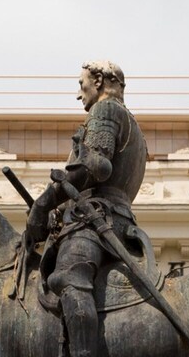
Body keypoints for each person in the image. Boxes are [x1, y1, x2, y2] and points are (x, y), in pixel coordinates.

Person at [25, 60, 148, 357]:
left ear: (99, 82)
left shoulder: (105, 111)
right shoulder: (134, 126)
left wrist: (43, 204)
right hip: (113, 217)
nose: (79, 95)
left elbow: (98, 167)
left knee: (70, 277)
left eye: (81, 85)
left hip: (97, 221)